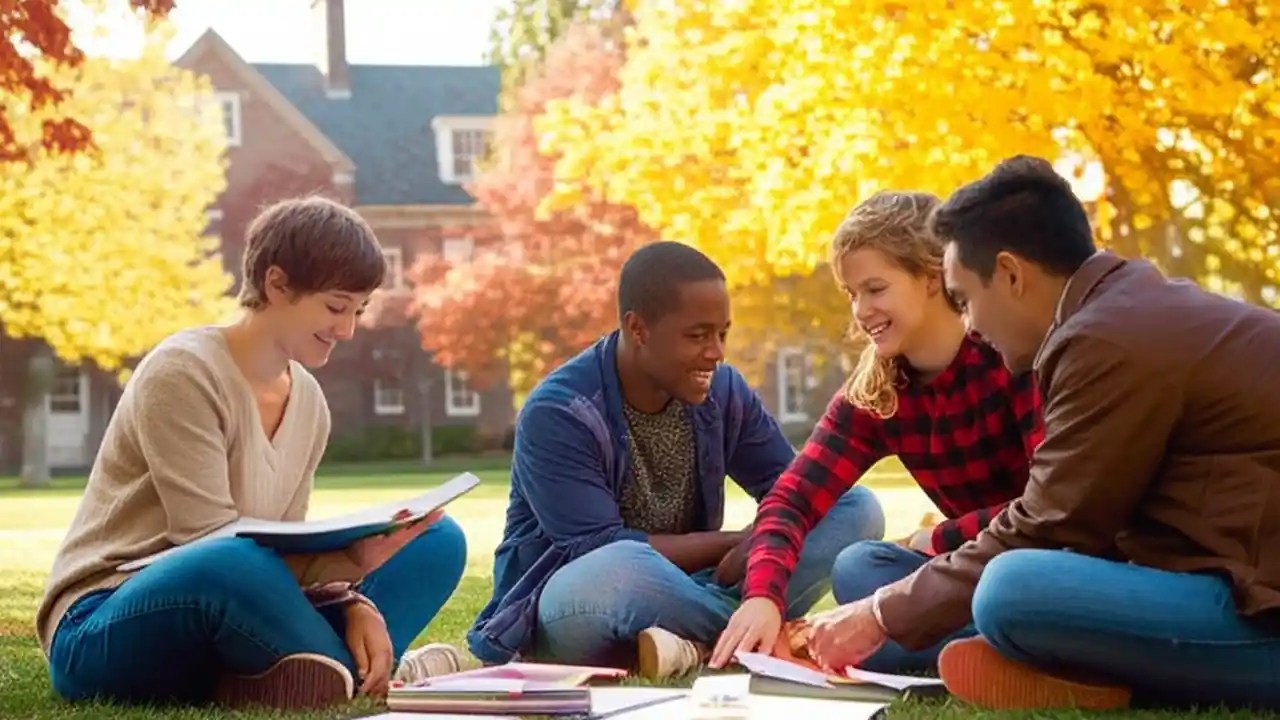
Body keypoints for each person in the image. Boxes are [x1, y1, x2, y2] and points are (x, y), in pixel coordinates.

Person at [801, 154, 1280, 712]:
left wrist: (879, 613)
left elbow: (1051, 524)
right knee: (881, 577)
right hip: (1217, 572)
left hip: (1258, 606)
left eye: (963, 298)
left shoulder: (1106, 339)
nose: (970, 323)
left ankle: (1075, 670)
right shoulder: (1120, 310)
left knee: (1012, 588)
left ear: (1010, 274)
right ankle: (1044, 661)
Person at [37, 196, 468, 711]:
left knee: (436, 538)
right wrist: (347, 584)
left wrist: (350, 587)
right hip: (106, 621)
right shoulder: (183, 372)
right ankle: (376, 669)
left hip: (232, 607)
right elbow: (205, 541)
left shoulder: (309, 401)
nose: (348, 329)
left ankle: (308, 672)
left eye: (358, 310)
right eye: (335, 307)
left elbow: (284, 546)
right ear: (277, 283)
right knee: (231, 559)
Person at [466, 241, 885, 679]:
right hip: (578, 603)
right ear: (638, 328)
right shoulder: (559, 411)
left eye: (722, 333)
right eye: (698, 335)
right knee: (622, 563)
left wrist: (760, 541)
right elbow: (592, 548)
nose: (717, 352)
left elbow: (797, 491)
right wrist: (738, 542)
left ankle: (697, 646)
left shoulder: (723, 391)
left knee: (854, 507)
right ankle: (775, 636)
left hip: (695, 588)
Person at [709, 190, 1043, 673]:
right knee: (859, 567)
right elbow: (792, 499)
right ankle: (999, 653)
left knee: (995, 590)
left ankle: (1004, 650)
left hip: (1038, 559)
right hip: (960, 573)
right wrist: (763, 596)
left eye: (875, 289)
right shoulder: (878, 390)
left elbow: (1051, 506)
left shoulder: (1010, 357)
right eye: (852, 294)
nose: (861, 311)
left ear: (932, 277)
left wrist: (933, 540)